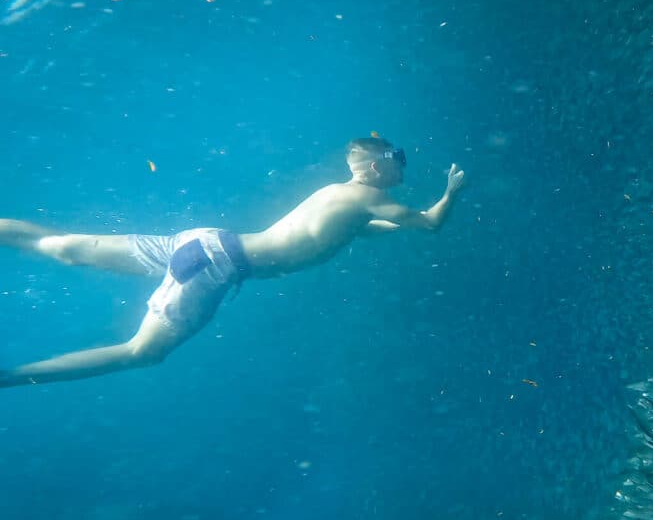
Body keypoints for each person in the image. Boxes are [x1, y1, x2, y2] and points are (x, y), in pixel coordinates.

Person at [0, 137, 466, 388]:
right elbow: (429, 224)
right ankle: (10, 380)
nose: (403, 165)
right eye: (398, 158)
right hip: (218, 264)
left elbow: (375, 231)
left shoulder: (340, 198)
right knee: (142, 353)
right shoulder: (367, 196)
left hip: (206, 241)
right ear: (377, 166)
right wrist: (451, 193)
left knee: (65, 247)